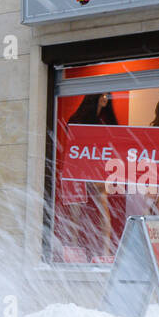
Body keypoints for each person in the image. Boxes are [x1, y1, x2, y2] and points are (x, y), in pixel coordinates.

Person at [65, 92, 119, 260]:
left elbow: (113, 146)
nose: (105, 98)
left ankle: (105, 251)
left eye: (107, 95)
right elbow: (72, 145)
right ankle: (73, 249)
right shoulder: (81, 119)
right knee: (76, 210)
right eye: (102, 94)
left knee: (102, 206)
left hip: (96, 169)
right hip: (80, 169)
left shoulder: (105, 121)